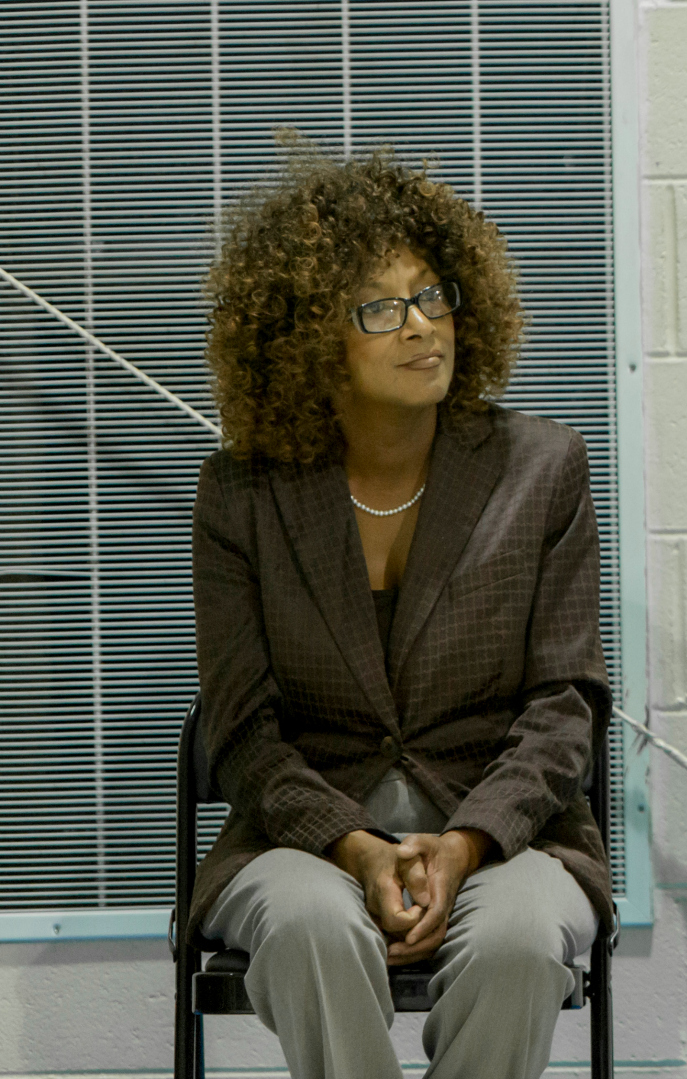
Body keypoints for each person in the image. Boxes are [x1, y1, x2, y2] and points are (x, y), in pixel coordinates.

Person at [190, 139, 609, 1079]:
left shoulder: (543, 470)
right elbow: (243, 730)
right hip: (302, 836)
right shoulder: (242, 497)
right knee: (308, 927)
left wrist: (463, 847)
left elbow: (563, 708)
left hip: (507, 836)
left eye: (433, 297)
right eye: (381, 308)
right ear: (310, 341)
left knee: (517, 944)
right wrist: (350, 846)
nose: (424, 327)